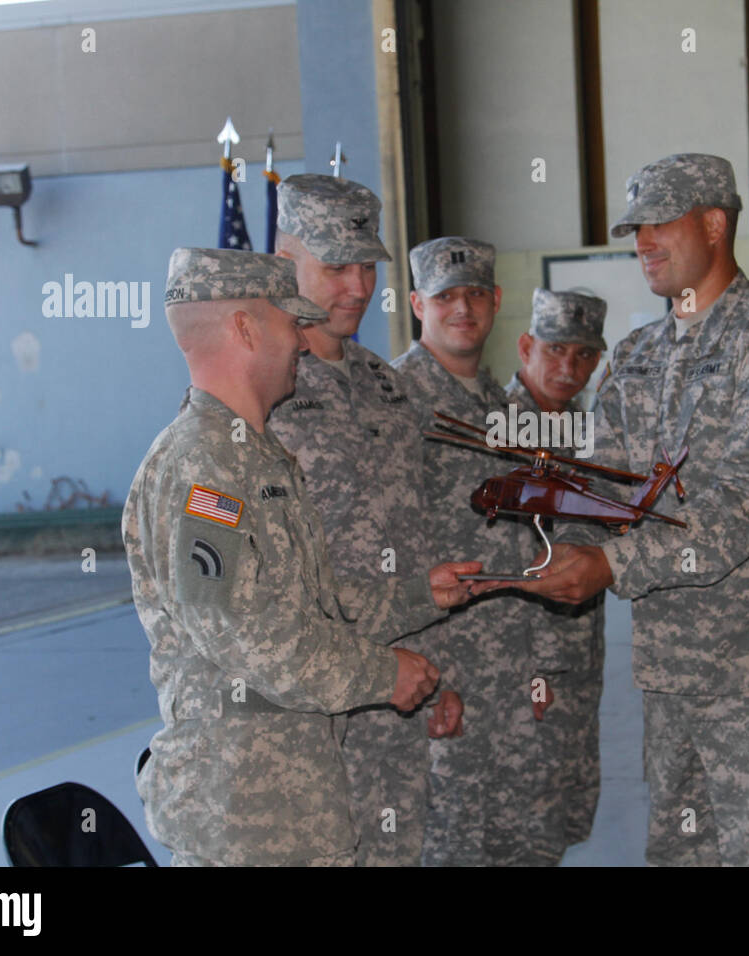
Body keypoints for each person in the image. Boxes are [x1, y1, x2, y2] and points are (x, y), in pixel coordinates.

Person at [518, 154, 749, 866]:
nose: (642, 241)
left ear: (715, 223)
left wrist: (613, 562)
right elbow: (601, 488)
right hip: (676, 678)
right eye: (634, 228)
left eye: (658, 224)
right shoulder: (635, 358)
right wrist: (565, 544)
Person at [123, 247, 485, 866]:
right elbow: (243, 633)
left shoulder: (252, 455)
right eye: (289, 321)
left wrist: (418, 595)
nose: (300, 338)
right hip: (245, 817)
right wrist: (381, 675)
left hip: (295, 805)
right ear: (243, 328)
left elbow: (306, 604)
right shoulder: (202, 468)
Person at [268, 174, 458, 866]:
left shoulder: (385, 385)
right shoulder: (259, 391)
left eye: (367, 265)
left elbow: (417, 537)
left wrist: (443, 671)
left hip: (399, 695)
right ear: (286, 264)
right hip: (312, 714)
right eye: (336, 266)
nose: (357, 285)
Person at [391, 237, 569, 866]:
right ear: (417, 303)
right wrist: (432, 677)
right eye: (444, 296)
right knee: (453, 848)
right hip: (449, 682)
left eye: (474, 294)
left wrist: (546, 669)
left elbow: (532, 542)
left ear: (495, 302)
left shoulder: (503, 407)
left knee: (526, 845)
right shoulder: (395, 403)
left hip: (518, 676)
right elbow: (388, 548)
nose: (461, 308)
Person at [503, 287, 608, 846]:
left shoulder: (581, 433)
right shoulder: (496, 435)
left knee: (564, 810)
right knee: (526, 818)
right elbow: (504, 565)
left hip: (580, 653)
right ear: (526, 347)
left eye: (585, 354)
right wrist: (534, 673)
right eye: (556, 350)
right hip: (523, 662)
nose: (570, 368)